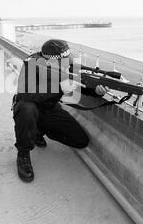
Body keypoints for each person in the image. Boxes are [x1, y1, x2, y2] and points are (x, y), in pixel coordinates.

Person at [12, 39, 108, 182]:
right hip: (28, 107)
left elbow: (81, 83)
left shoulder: (65, 65)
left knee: (80, 140)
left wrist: (97, 91)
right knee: (27, 109)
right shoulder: (31, 65)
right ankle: (23, 154)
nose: (66, 64)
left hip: (49, 108)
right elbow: (26, 94)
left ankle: (38, 130)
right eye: (62, 61)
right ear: (49, 61)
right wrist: (59, 88)